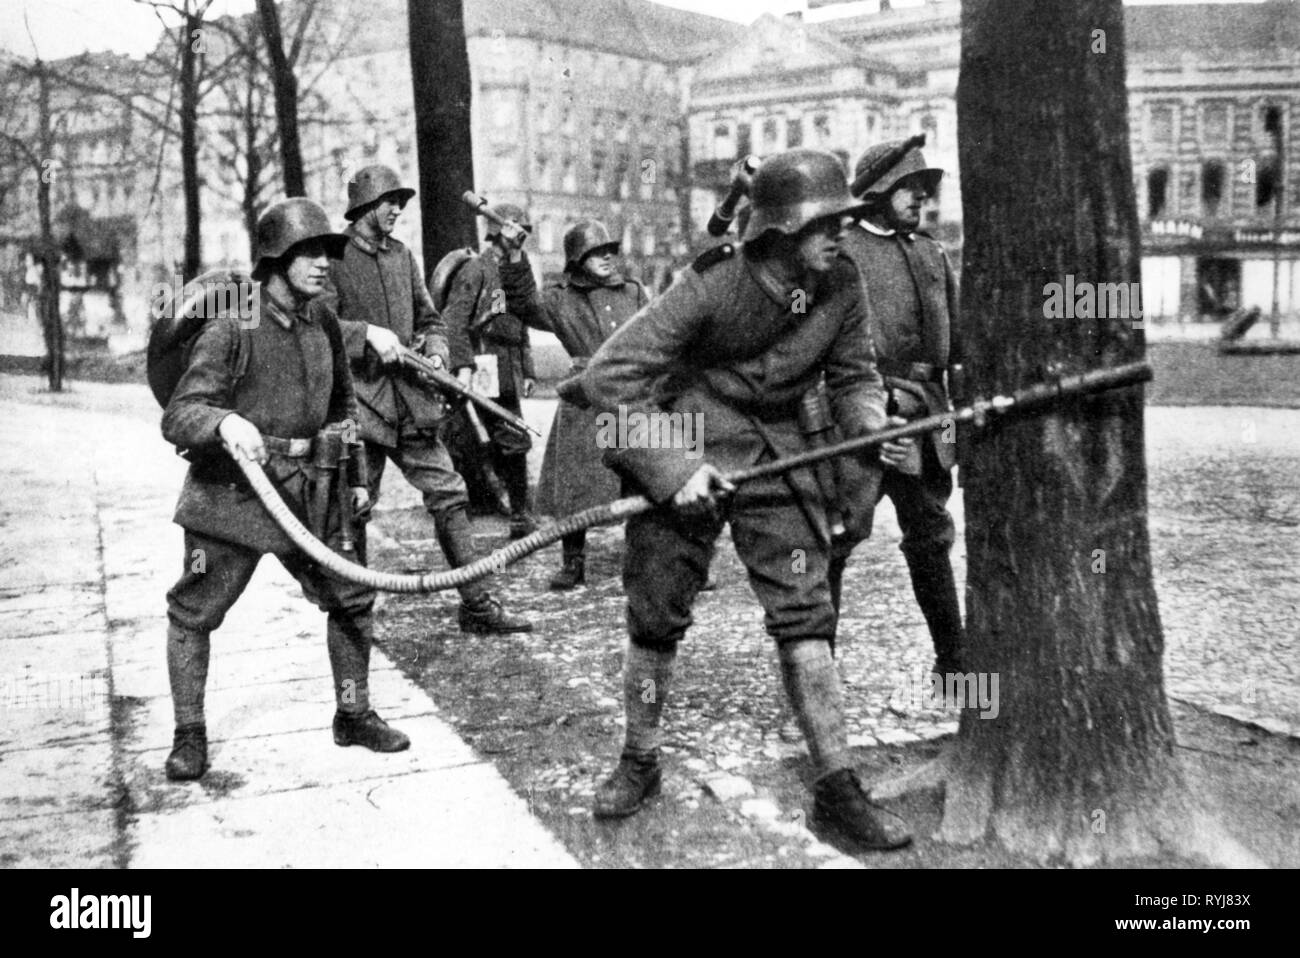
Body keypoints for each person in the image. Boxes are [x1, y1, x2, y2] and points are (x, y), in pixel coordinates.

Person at [575, 149, 913, 851]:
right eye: (826, 223)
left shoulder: (842, 283)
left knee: (806, 614)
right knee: (655, 616)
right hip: (689, 438)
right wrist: (673, 467)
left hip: (777, 456)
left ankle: (836, 787)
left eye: (845, 221)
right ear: (782, 229)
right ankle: (640, 758)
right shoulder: (712, 284)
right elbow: (608, 380)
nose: (840, 235)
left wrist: (871, 424)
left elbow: (854, 378)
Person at [161, 197, 408, 781]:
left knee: (352, 598)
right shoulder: (231, 323)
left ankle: (353, 714)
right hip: (233, 495)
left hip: (314, 491)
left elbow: (344, 405)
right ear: (275, 259)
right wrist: (223, 421)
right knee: (195, 611)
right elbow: (181, 412)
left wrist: (353, 480)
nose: (324, 263)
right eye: (309, 252)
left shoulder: (321, 319)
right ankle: (189, 735)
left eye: (328, 251)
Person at [323, 165, 530, 635]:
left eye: (401, 201)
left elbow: (430, 319)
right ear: (362, 206)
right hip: (360, 405)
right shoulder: (332, 258)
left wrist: (436, 352)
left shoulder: (402, 256)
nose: (397, 209)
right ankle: (351, 613)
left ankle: (476, 605)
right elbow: (320, 326)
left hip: (410, 403)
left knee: (449, 493)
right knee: (355, 504)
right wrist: (367, 335)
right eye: (388, 201)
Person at [836, 140, 965, 681]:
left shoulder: (931, 253)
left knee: (931, 536)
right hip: (862, 418)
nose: (920, 198)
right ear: (877, 193)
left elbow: (958, 346)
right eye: (910, 188)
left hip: (925, 417)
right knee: (838, 537)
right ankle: (815, 665)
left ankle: (954, 661)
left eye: (924, 189)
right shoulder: (842, 255)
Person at [523, 220, 648, 589]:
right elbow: (521, 304)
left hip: (630, 393)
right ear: (578, 258)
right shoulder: (560, 298)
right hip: (585, 398)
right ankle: (572, 563)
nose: (608, 256)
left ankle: (657, 561)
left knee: (648, 477)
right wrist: (515, 256)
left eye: (611, 248)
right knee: (576, 484)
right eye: (597, 251)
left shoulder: (634, 291)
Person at [440, 204, 538, 539]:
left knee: (509, 437)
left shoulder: (514, 268)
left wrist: (528, 369)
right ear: (498, 232)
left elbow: (522, 318)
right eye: (515, 232)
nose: (520, 239)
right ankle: (504, 513)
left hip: (507, 363)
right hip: (483, 362)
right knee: (496, 436)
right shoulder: (475, 270)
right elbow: (454, 322)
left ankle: (517, 510)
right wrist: (463, 366)